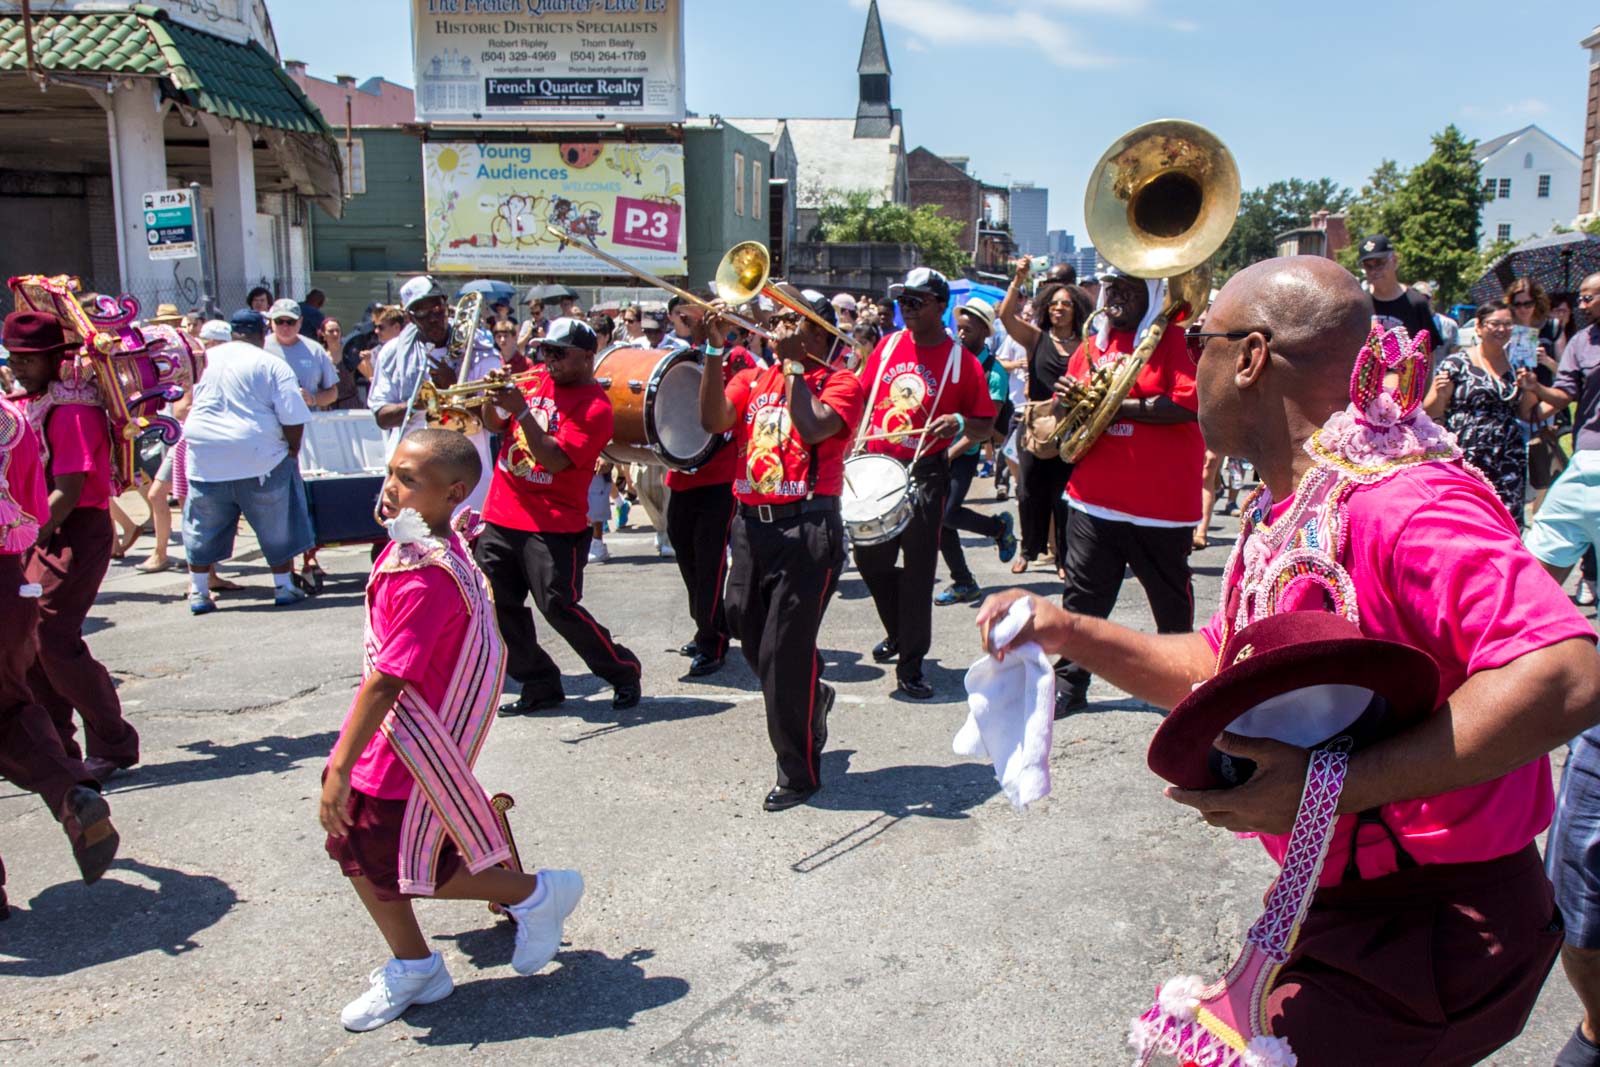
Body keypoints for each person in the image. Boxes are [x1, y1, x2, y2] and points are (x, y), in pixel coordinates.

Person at [979, 255, 1600, 1066]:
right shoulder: (1292, 501)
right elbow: (1222, 661)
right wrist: (1068, 633)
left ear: (1250, 356)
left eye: (1200, 338)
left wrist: (1327, 789)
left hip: (1434, 926)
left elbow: (1566, 672)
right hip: (1344, 910)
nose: (1188, 358)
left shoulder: (1404, 502)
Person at [320, 429, 582, 1032]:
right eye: (392, 471)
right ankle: (415, 966)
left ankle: (536, 894)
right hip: (395, 741)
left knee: (400, 865)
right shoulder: (433, 544)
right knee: (361, 854)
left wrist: (338, 767)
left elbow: (388, 680)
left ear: (454, 493)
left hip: (406, 750)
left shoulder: (425, 576)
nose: (391, 485)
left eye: (410, 479)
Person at [696, 292, 865, 810]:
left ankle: (799, 771)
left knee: (784, 657)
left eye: (792, 321)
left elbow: (813, 427)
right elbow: (713, 420)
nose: (777, 327)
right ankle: (815, 696)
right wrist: (711, 351)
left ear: (819, 331)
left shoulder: (841, 381)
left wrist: (793, 366)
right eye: (778, 320)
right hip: (751, 525)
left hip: (808, 527)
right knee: (743, 624)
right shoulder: (753, 379)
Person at [1052, 269, 1205, 715]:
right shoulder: (1091, 344)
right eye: (1111, 288)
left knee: (1169, 601)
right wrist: (1067, 398)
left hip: (1160, 502)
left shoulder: (1174, 340)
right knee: (1082, 596)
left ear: (1153, 295)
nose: (1115, 296)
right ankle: (1069, 682)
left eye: (1128, 289)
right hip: (1092, 495)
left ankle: (1182, 683)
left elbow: (1184, 405)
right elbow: (1075, 413)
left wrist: (1113, 402)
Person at [476, 318, 643, 714]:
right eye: (544, 351)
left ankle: (622, 669)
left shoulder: (596, 406)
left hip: (554, 523)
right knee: (496, 607)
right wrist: (492, 396)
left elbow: (553, 458)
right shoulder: (533, 378)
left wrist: (522, 413)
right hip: (502, 512)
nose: (547, 360)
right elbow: (490, 422)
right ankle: (539, 683)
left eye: (557, 353)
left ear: (587, 357)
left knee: (558, 607)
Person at [4, 311, 142, 785]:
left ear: (54, 358)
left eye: (28, 359)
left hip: (74, 529)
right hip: (38, 529)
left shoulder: (74, 410)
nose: (18, 367)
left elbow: (68, 489)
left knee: (54, 636)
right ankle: (57, 747)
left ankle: (113, 741)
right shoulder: (36, 401)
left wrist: (22, 535)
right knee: (29, 640)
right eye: (13, 358)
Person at [854, 268, 996, 699]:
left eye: (916, 302)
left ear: (940, 305)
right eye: (903, 302)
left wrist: (957, 421)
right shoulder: (888, 345)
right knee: (870, 561)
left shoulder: (962, 362)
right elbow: (861, 396)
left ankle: (911, 664)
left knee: (918, 574)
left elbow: (986, 422)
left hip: (926, 473)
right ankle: (900, 630)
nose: (907, 309)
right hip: (877, 467)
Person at [0, 390, 120, 893]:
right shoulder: (10, 417)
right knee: (8, 709)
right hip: (6, 582)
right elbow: (28, 511)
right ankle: (71, 791)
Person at [180, 309, 315, 613]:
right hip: (259, 456)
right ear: (263, 331)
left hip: (206, 456)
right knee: (276, 522)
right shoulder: (271, 363)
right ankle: (283, 586)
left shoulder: (205, 360)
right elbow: (292, 414)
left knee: (201, 524)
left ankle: (199, 592)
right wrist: (292, 450)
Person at [663, 303, 761, 677]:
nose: (685, 322)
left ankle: (712, 640)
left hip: (718, 478)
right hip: (682, 475)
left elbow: (730, 410)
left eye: (690, 315)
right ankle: (708, 623)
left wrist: (713, 345)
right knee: (687, 558)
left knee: (710, 565)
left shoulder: (736, 358)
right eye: (682, 317)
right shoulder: (679, 355)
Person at [367, 277, 500, 514]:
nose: (433, 317)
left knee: (465, 544)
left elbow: (495, 420)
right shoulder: (392, 353)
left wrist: (453, 385)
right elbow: (382, 416)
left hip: (463, 472)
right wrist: (419, 403)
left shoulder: (481, 351)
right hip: (412, 474)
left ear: (446, 305)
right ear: (409, 316)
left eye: (437, 308)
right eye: (421, 312)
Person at [997, 256, 1092, 574]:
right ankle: (1028, 550)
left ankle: (1064, 559)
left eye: (1065, 304)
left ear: (1076, 308)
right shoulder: (1037, 338)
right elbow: (1006, 315)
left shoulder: (1086, 344)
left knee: (1062, 497)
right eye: (1053, 304)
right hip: (1036, 429)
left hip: (1071, 428)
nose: (1059, 308)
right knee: (1027, 492)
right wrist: (1017, 279)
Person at [1423, 304, 1545, 526]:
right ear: (1478, 327)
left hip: (1508, 454)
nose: (1501, 329)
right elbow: (1431, 412)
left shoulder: (1517, 364)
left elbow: (1526, 411)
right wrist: (1441, 395)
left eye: (1507, 324)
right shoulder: (1456, 363)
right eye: (1495, 324)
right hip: (1467, 453)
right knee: (1468, 516)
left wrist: (1530, 387)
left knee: (1507, 518)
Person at [934, 299, 1017, 605]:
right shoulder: (950, 360)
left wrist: (951, 453)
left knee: (947, 513)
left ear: (985, 330)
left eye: (968, 329)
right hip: (938, 449)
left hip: (964, 453)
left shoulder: (994, 373)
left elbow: (983, 428)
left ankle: (998, 528)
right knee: (939, 518)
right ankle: (963, 582)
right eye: (959, 327)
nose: (960, 334)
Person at [1355, 234, 1435, 347]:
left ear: (1394, 261)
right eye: (1368, 266)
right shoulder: (1360, 304)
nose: (1374, 271)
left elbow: (1429, 350)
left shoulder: (1416, 303)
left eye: (1379, 264)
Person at [263, 299, 338, 411]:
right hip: (270, 420)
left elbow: (332, 392)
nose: (285, 326)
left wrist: (312, 399)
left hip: (307, 422)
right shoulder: (260, 348)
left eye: (291, 322)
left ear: (300, 321)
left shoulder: (315, 350)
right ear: (271, 321)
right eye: (279, 321)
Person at [320, 318, 363, 411]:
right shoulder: (321, 357)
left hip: (351, 405)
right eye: (331, 331)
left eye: (337, 330)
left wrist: (366, 361)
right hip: (329, 407)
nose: (335, 334)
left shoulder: (349, 353)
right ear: (323, 334)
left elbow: (369, 375)